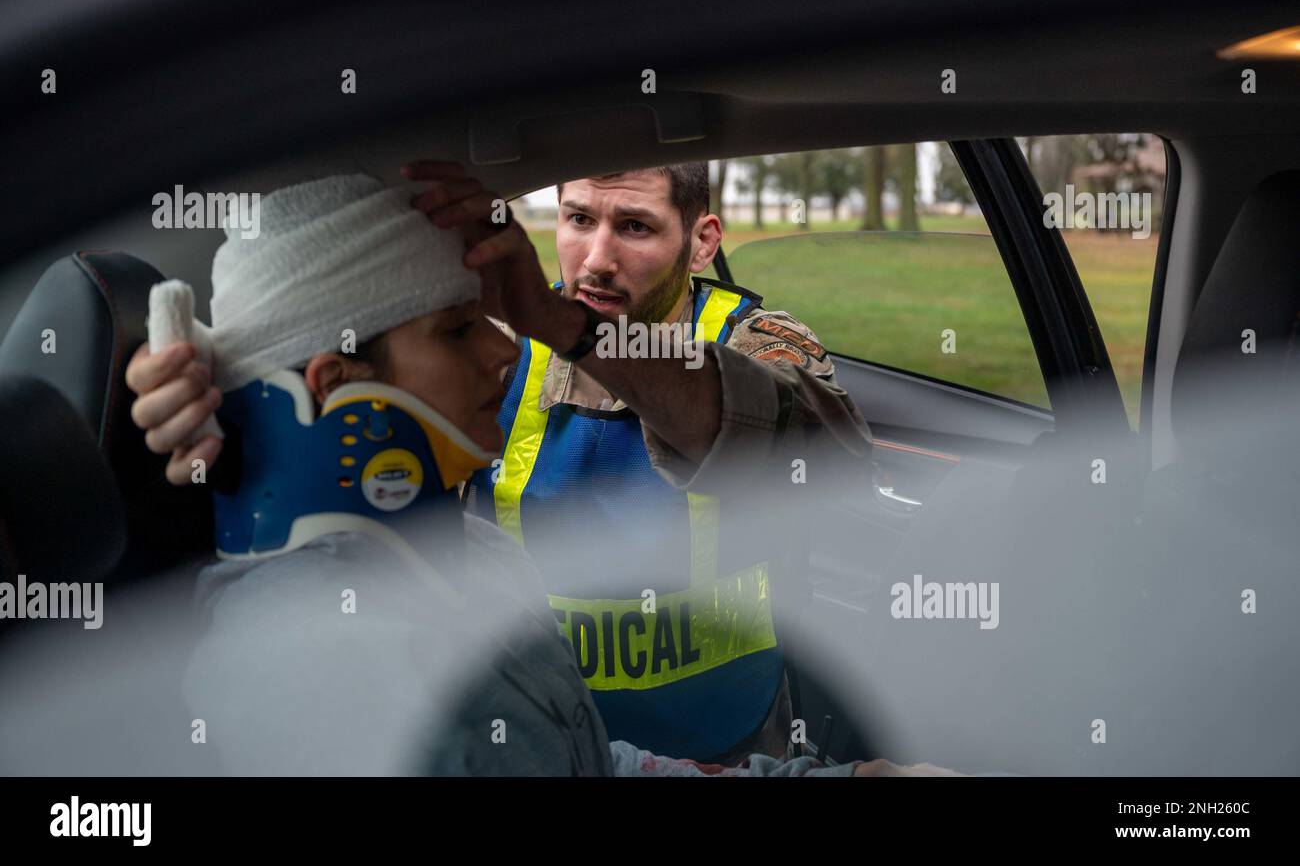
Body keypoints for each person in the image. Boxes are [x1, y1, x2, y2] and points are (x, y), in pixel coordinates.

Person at [130, 172, 907, 776]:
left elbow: (830, 464)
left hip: (724, 734)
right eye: (577, 220)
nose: (596, 257)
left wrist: (570, 328)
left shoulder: (757, 338)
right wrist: (238, 433)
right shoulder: (504, 362)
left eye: (633, 225)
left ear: (703, 241)